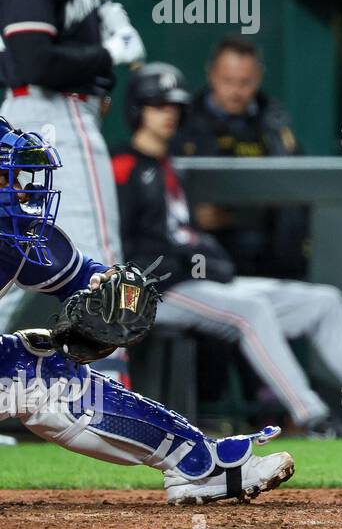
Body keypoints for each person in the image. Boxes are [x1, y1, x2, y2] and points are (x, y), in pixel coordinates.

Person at [0, 118, 294, 503]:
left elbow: (81, 276)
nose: (18, 192)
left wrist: (107, 286)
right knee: (30, 370)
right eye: (5, 179)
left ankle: (196, 462)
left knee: (40, 365)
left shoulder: (13, 237)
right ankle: (199, 464)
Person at [115, 64, 342, 438]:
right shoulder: (121, 166)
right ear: (138, 109)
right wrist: (188, 263)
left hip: (195, 285)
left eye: (173, 106)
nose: (168, 113)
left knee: (324, 301)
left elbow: (185, 237)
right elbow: (122, 251)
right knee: (250, 311)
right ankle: (313, 417)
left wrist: (207, 256)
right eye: (158, 106)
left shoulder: (170, 165)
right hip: (154, 293)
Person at [0, 0, 145, 359]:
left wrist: (103, 39)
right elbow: (35, 59)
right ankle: (112, 393)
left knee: (17, 256)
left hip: (40, 116)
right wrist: (109, 54)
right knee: (101, 258)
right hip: (51, 114)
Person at [170, 39, 309, 281]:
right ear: (211, 74)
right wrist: (194, 214)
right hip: (203, 261)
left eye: (245, 82)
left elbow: (298, 187)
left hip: (268, 257)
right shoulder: (184, 123)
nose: (236, 91)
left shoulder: (275, 125)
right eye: (228, 81)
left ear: (259, 77)